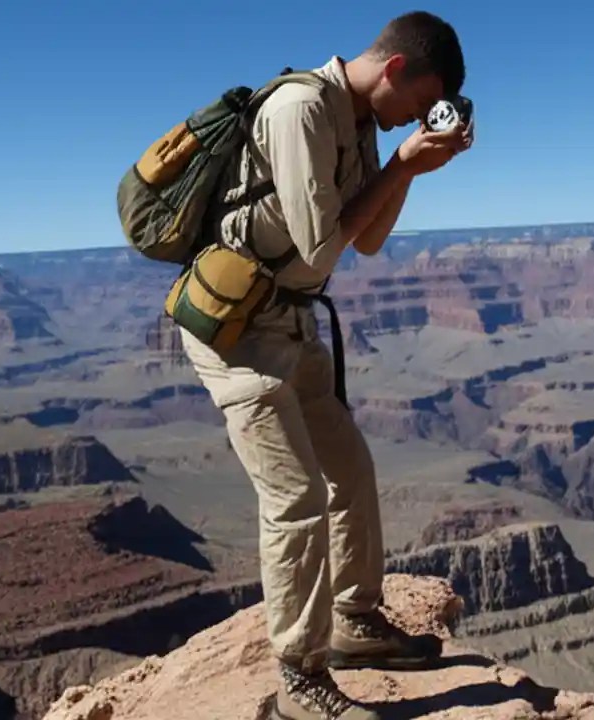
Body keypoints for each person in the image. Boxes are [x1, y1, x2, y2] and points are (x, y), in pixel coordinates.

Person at [176, 10, 472, 720]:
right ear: (397, 70)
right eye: (417, 103)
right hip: (238, 334)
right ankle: (299, 680)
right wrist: (404, 164)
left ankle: (355, 623)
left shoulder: (362, 120)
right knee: (296, 500)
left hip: (292, 323)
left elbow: (365, 243)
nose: (411, 122)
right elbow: (318, 250)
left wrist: (411, 170)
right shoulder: (302, 107)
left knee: (352, 470)